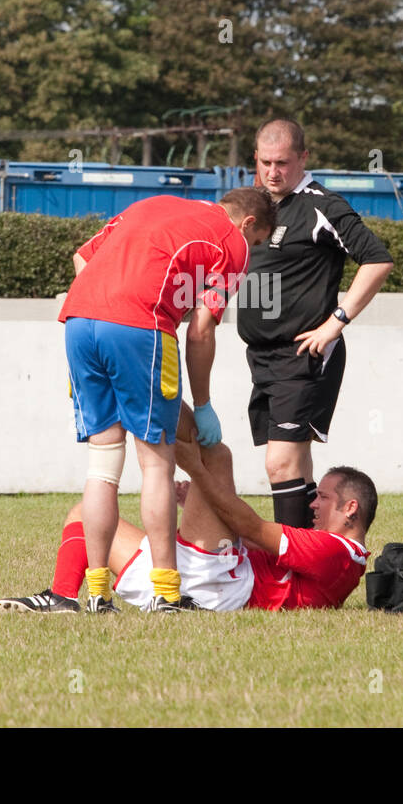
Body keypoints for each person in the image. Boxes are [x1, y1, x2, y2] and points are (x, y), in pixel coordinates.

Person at [59, 188, 275, 614]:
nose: (252, 251)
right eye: (257, 242)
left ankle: (98, 592)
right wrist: (204, 401)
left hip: (79, 320)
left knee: (102, 466)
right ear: (249, 223)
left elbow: (82, 258)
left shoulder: (153, 203)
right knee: (157, 463)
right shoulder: (232, 243)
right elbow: (201, 330)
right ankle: (166, 591)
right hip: (141, 326)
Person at [0, 405, 375, 613]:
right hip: (196, 575)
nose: (313, 502)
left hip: (214, 583)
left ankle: (143, 374)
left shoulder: (338, 553)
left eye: (323, 497)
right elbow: (249, 537)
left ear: (350, 508)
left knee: (215, 455)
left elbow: (248, 525)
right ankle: (62, 598)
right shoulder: (336, 557)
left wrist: (194, 468)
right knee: (82, 515)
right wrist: (200, 499)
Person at [237, 118, 394, 530]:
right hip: (262, 357)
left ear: (303, 158)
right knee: (297, 466)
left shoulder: (322, 205)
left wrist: (336, 322)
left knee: (280, 462)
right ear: (255, 158)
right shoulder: (251, 206)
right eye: (266, 162)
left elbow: (377, 259)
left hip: (303, 354)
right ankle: (315, 561)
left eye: (283, 163)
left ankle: (291, 574)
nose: (273, 172)